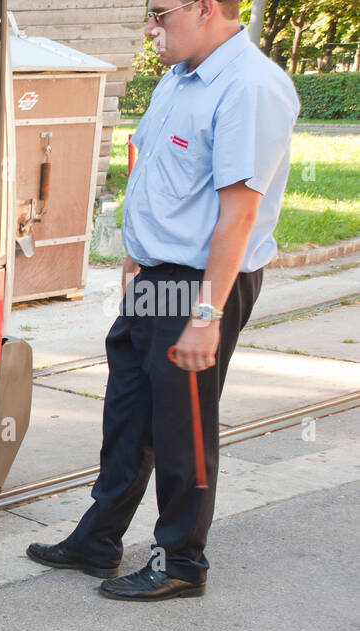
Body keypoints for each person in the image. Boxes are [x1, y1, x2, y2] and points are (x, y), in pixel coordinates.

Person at [27, 0, 299, 600]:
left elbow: (239, 213)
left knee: (186, 426)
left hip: (201, 284)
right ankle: (98, 539)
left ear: (204, 8)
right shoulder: (178, 80)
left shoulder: (250, 87)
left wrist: (207, 313)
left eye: (159, 13)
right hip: (156, 276)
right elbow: (156, 172)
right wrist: (134, 255)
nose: (150, 28)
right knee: (128, 412)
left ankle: (181, 562)